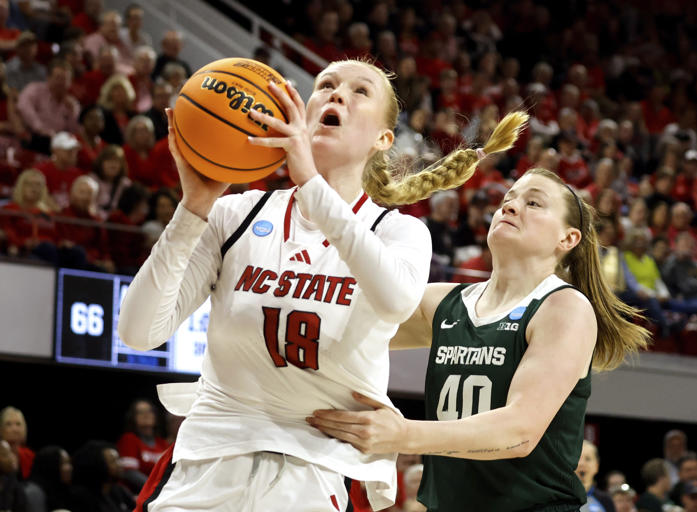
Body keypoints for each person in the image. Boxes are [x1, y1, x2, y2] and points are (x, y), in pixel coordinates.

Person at [118, 59, 528, 511]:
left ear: (383, 140)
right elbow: (139, 333)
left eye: (360, 91)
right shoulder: (238, 214)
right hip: (207, 460)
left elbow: (394, 302)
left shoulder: (398, 232)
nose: (337, 94)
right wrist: (192, 209)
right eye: (326, 85)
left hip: (318, 472)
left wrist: (311, 183)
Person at [309, 166, 650, 511]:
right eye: (508, 200)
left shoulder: (564, 306)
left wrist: (403, 434)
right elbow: (334, 328)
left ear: (568, 239)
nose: (511, 207)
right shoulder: (445, 303)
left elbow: (520, 431)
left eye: (534, 203)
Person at [116, 399, 168, 493]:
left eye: (149, 411)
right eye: (140, 412)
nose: (146, 414)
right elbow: (129, 473)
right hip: (136, 494)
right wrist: (156, 490)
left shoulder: (162, 443)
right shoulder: (129, 439)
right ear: (133, 418)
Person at [24, 445, 75, 512]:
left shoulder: (59, 490)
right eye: (64, 463)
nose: (69, 468)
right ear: (50, 466)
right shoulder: (33, 493)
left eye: (69, 462)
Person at [578, 440, 617, 512]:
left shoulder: (606, 501)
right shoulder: (559, 498)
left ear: (596, 466)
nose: (582, 463)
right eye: (577, 458)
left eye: (588, 459)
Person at [0, 407, 34, 480]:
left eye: (18, 424)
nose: (15, 429)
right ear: (1, 429)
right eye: (8, 424)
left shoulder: (30, 455)